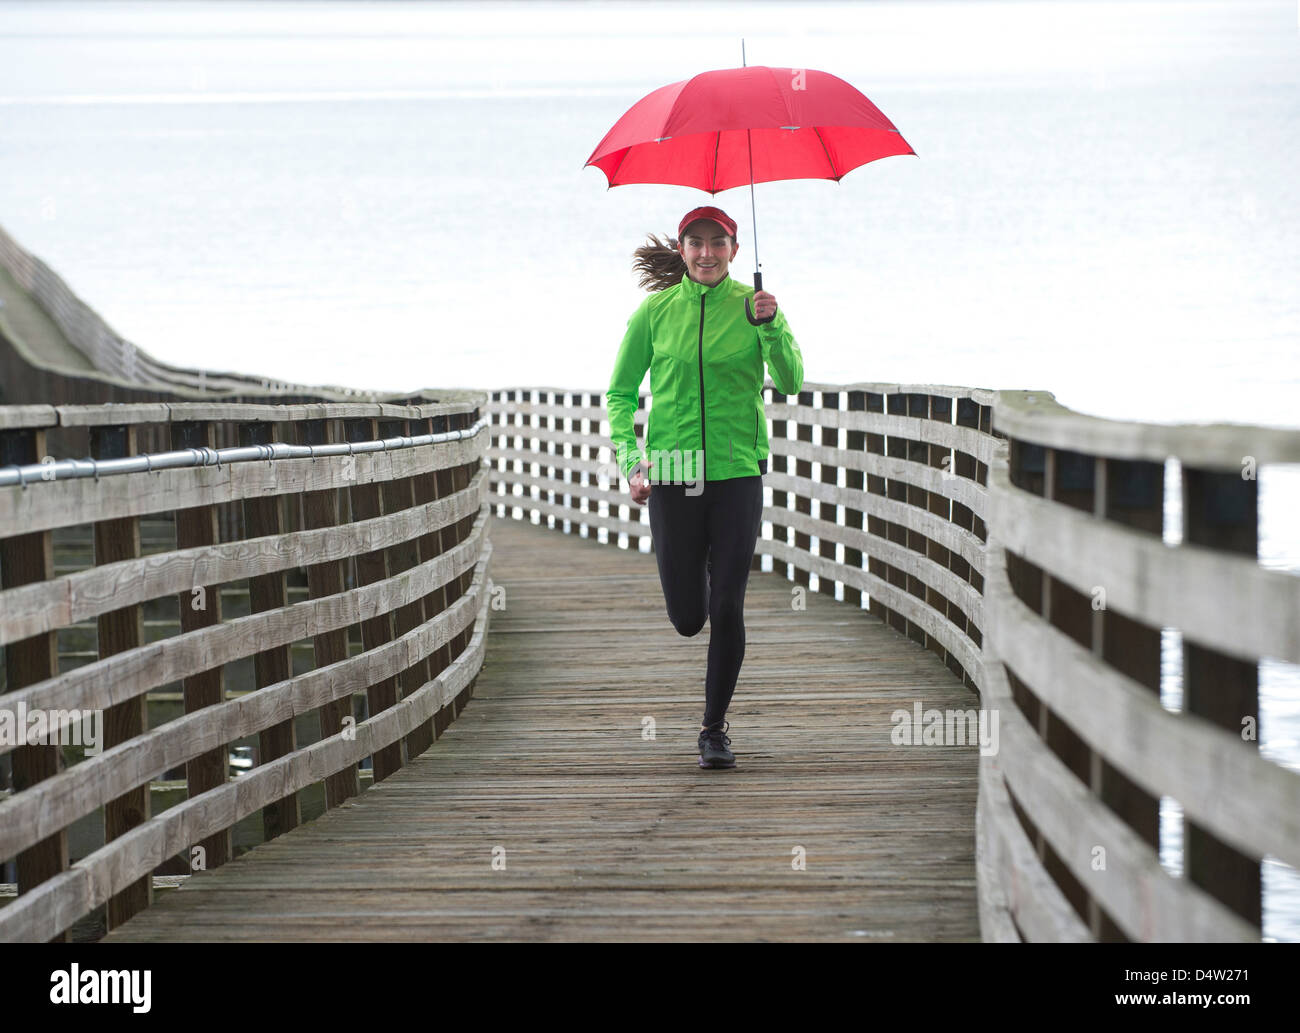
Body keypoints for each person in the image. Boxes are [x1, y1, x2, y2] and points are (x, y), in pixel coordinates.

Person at [605, 205, 804, 769]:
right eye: (696, 243)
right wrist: (632, 460)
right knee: (689, 617)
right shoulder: (655, 311)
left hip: (738, 470)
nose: (707, 253)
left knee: (727, 604)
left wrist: (774, 325)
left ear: (736, 251)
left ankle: (714, 729)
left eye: (718, 243)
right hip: (673, 469)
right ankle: (708, 574)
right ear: (683, 249)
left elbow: (789, 380)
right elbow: (620, 393)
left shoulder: (754, 307)